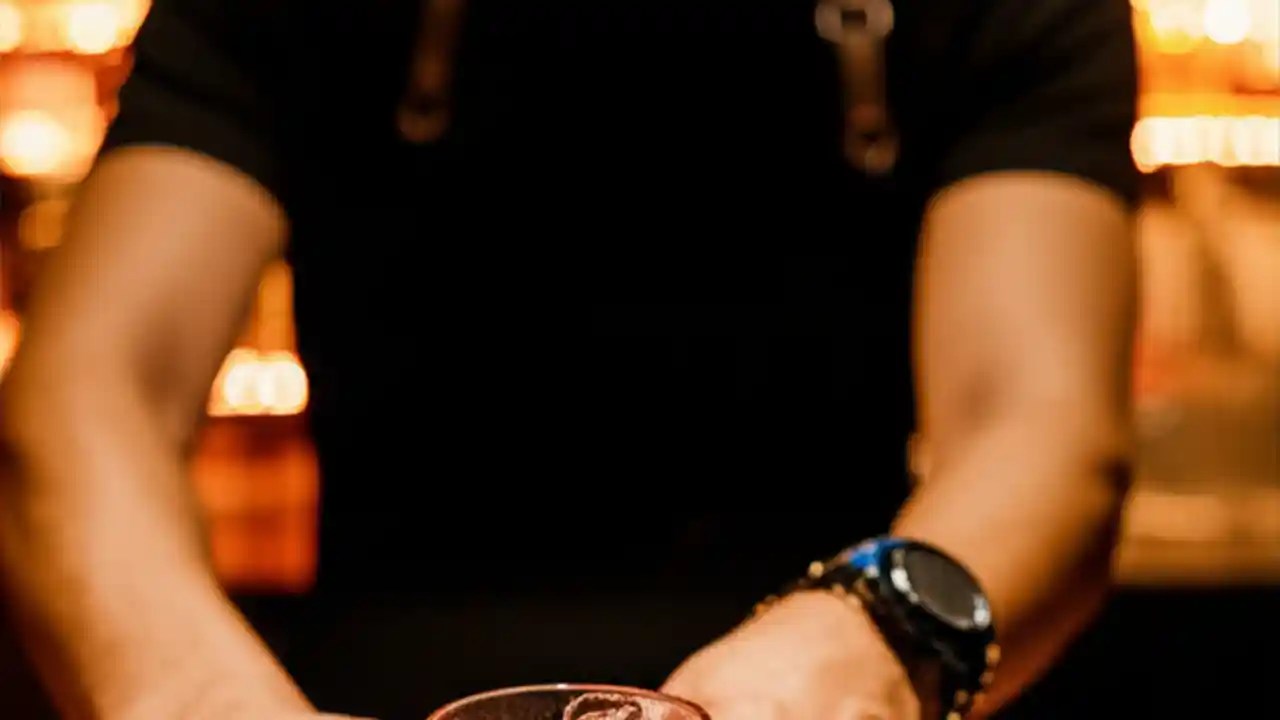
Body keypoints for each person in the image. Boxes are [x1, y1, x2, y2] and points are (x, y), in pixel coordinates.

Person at [0, 0, 1140, 718]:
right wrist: (195, 693)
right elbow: (88, 390)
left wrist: (871, 643)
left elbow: (1040, 424)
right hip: (372, 676)